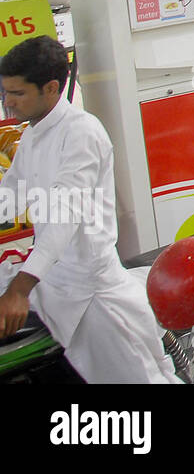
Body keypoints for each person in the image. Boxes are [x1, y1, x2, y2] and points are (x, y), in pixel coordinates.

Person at [0, 37, 178, 383]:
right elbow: (11, 194)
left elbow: (63, 220)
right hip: (51, 281)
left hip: (91, 291)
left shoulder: (80, 133)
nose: (8, 103)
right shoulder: (34, 134)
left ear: (51, 88)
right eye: (5, 93)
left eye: (17, 93)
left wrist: (18, 290)